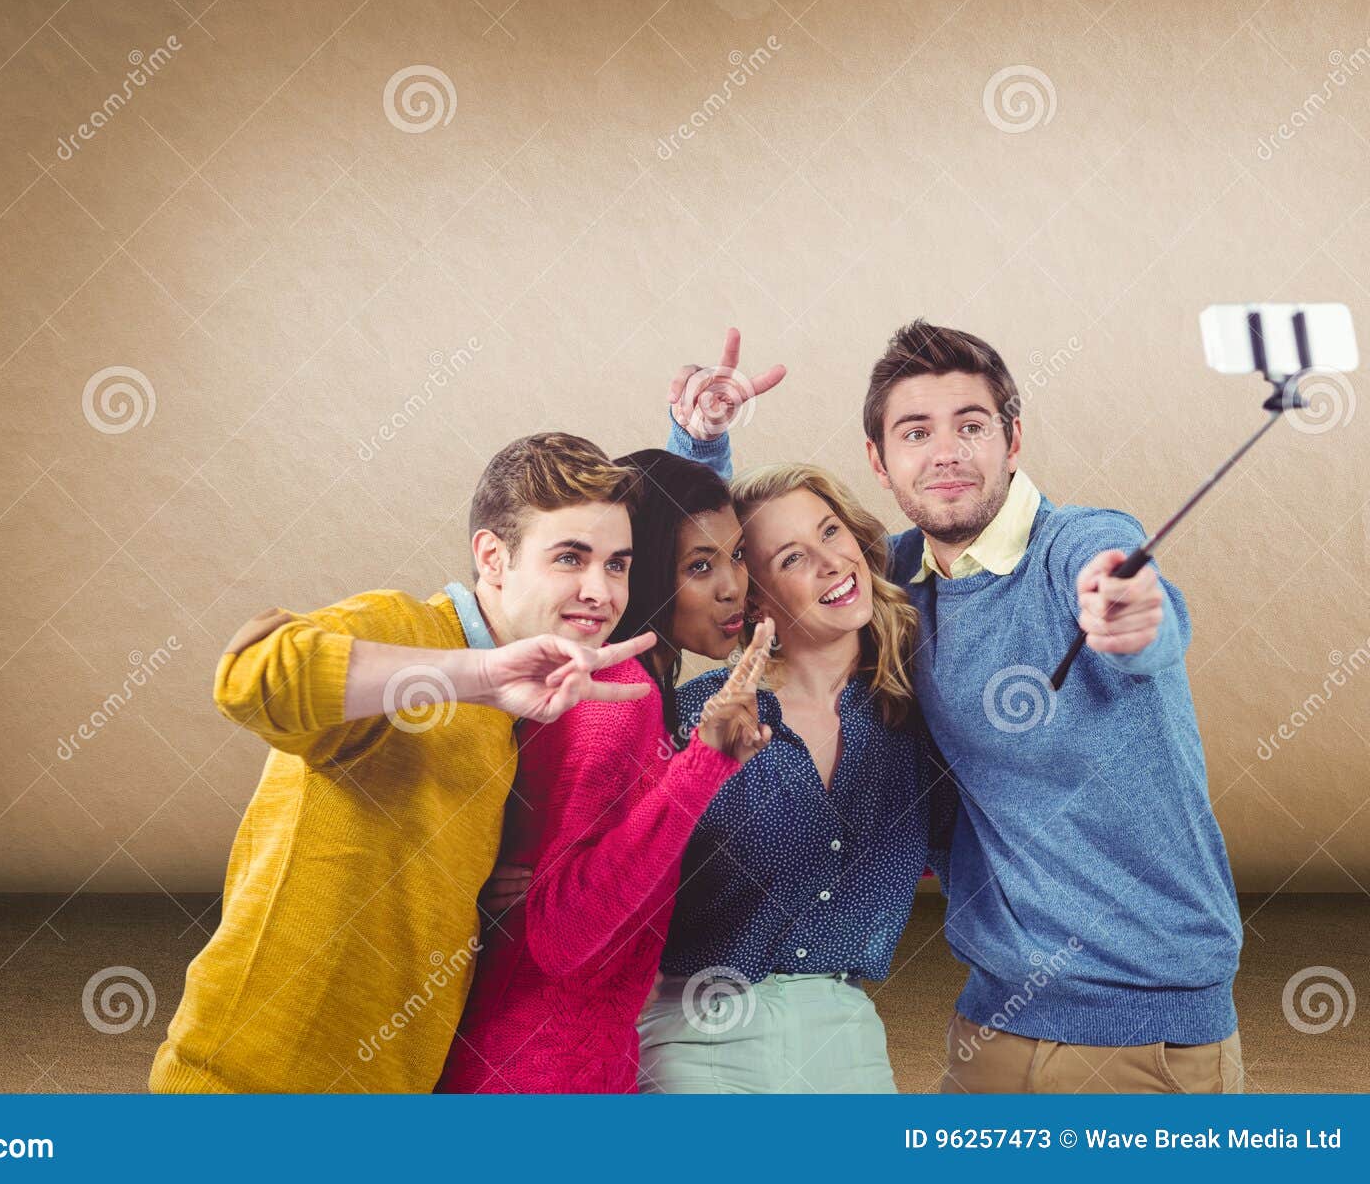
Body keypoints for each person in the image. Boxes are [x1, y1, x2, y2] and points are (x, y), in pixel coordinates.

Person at [669, 323, 1244, 1094]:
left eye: (970, 425)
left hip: (1144, 1036)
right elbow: (748, 556)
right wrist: (702, 446)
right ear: (879, 460)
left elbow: (1136, 597)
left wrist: (1134, 614)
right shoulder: (892, 582)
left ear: (1012, 439)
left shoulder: (1077, 545)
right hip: (992, 1027)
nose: (946, 451)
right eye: (916, 431)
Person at [149, 432, 659, 1094]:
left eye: (616, 564)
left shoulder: (515, 718)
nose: (601, 590)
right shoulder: (406, 627)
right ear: (493, 558)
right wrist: (473, 672)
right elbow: (251, 676)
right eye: (570, 556)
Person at [438, 450, 774, 1093]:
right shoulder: (616, 699)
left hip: (570, 1061)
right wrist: (706, 763)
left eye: (735, 555)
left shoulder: (612, 682)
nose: (733, 585)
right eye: (699, 566)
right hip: (533, 1071)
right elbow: (565, 934)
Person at [634, 460, 956, 1093]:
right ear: (754, 595)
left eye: (830, 532)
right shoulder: (691, 715)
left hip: (846, 1031)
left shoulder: (920, 716)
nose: (830, 562)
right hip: (699, 1032)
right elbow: (624, 850)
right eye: (790, 558)